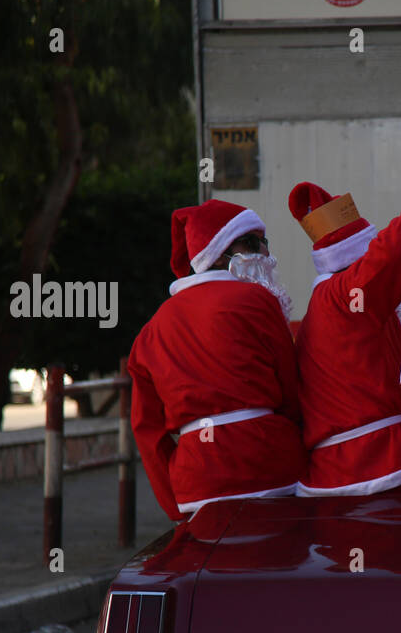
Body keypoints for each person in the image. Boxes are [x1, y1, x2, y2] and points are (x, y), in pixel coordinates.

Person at [290, 116, 401, 496]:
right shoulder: (346, 293)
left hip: (337, 472)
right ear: (358, 257)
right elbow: (394, 252)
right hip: (377, 469)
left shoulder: (327, 304)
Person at [128, 199, 307, 522]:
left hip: (197, 484)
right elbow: (292, 394)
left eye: (263, 243)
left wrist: (174, 499)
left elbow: (146, 429)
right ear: (219, 254)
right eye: (252, 243)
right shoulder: (257, 300)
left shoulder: (151, 331)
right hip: (270, 469)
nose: (265, 254)